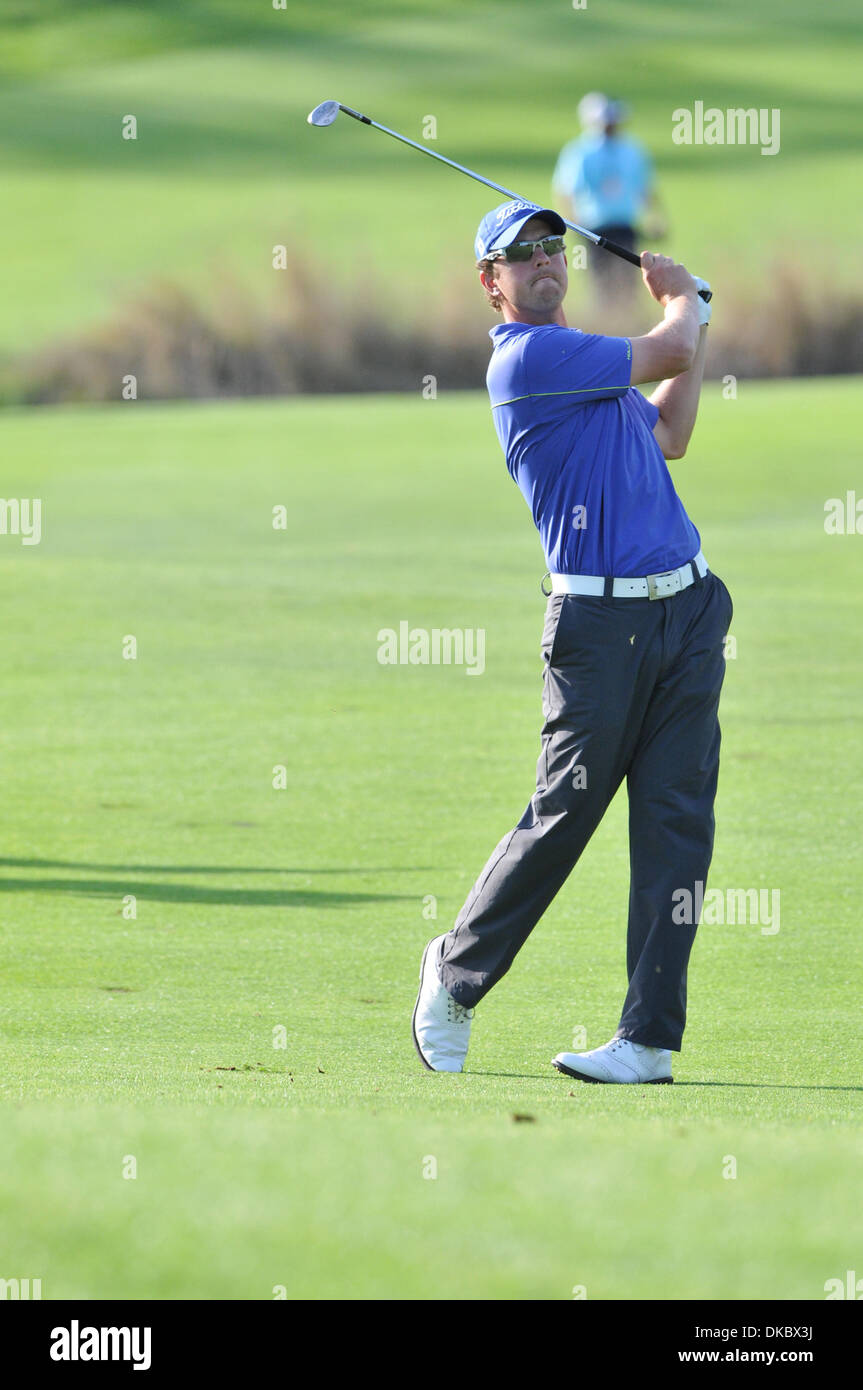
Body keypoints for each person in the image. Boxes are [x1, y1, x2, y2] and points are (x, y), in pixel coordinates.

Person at [411, 198, 731, 1084]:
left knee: (677, 829)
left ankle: (647, 1041)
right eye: (520, 254)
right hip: (600, 627)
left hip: (687, 610)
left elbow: (669, 431)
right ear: (491, 284)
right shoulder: (531, 361)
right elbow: (663, 350)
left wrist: (690, 327)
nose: (544, 259)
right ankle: (454, 974)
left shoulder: (587, 364)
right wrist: (683, 307)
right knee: (564, 817)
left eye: (551, 244)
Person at [552, 94, 666, 306]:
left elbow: (645, 188)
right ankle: (608, 326)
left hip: (625, 225)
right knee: (601, 283)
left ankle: (626, 325)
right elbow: (567, 192)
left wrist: (655, 217)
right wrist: (572, 223)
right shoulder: (580, 152)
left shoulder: (631, 150)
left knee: (629, 282)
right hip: (594, 228)